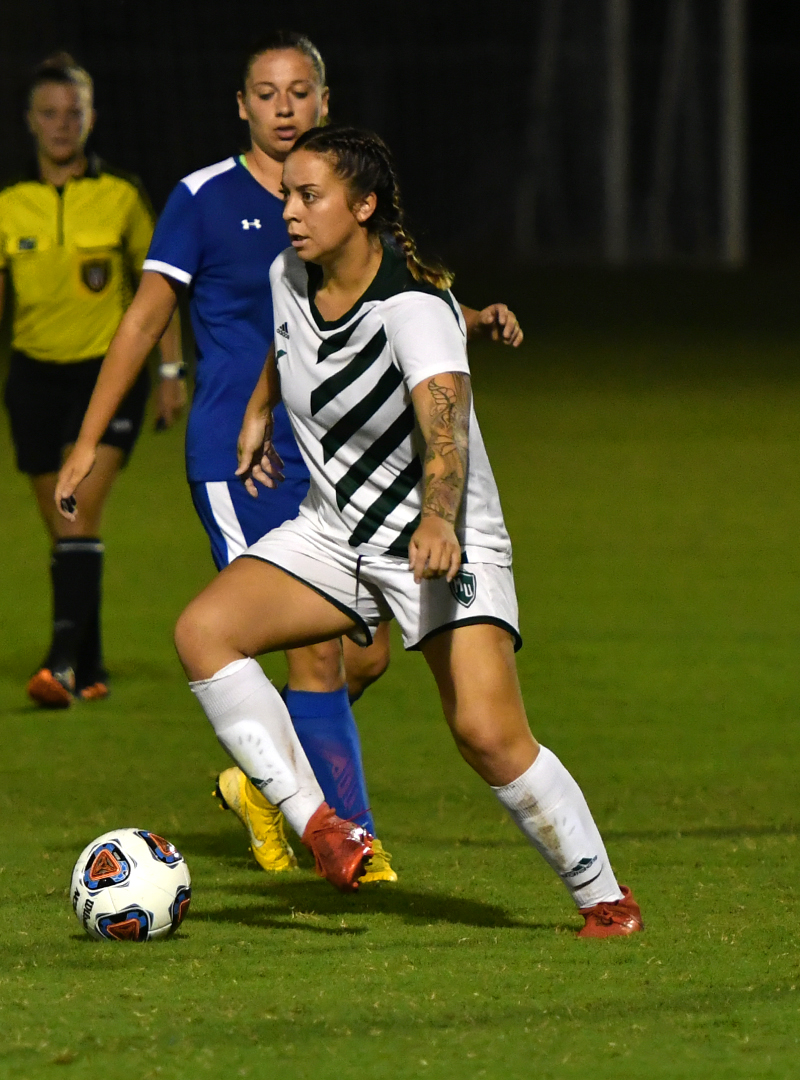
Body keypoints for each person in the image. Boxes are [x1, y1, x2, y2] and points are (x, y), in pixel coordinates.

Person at [54, 32, 523, 885]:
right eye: (266, 94)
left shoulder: (338, 197)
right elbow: (142, 319)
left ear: (324, 103)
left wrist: (468, 318)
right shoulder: (203, 199)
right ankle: (348, 841)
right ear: (241, 106)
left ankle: (266, 786)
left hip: (341, 455)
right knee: (308, 656)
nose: (283, 107)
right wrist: (88, 442)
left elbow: (394, 306)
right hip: (241, 462)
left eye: (299, 92)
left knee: (368, 655)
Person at [146, 126, 638, 936]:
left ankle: (606, 901)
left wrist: (440, 522)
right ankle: (323, 828)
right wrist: (261, 407)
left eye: (310, 197)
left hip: (438, 538)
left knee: (485, 733)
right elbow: (285, 338)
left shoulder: (414, 302)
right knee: (204, 632)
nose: (291, 213)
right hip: (334, 531)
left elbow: (446, 425)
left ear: (364, 206)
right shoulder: (287, 273)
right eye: (285, 197)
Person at [0, 52, 184, 708]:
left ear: (91, 118)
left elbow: (157, 289)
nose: (62, 124)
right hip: (33, 381)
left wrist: (170, 369)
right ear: (30, 121)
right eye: (50, 113)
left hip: (105, 379)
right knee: (64, 533)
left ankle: (57, 664)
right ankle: (92, 663)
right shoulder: (6, 207)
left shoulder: (122, 197)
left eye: (73, 112)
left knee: (76, 512)